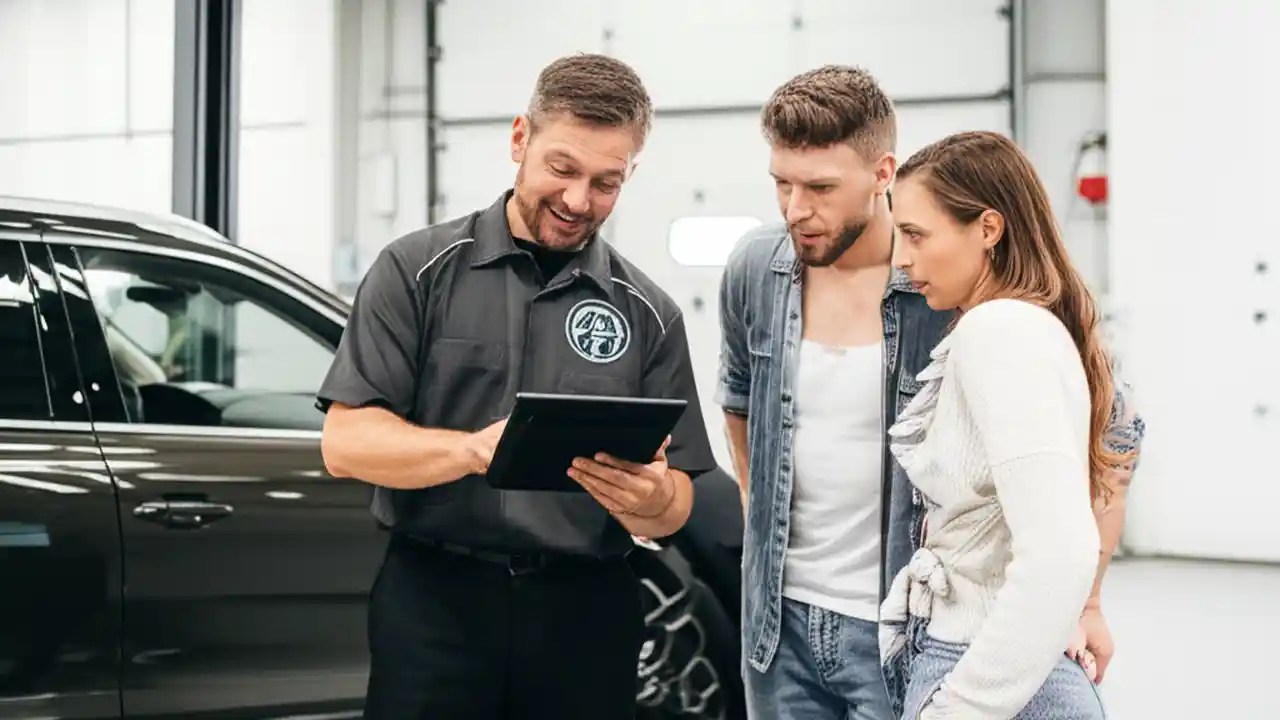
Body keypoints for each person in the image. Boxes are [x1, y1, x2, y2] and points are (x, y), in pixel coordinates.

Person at [715, 65, 1143, 720]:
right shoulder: (756, 268)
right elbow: (741, 407)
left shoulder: (961, 285)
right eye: (782, 184)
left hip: (901, 629)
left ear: (882, 174)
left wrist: (1084, 603)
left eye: (822, 188)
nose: (796, 208)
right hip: (780, 630)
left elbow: (1110, 434)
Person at [316, 53, 717, 720]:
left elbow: (680, 501)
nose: (578, 200)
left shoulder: (650, 313)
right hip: (435, 603)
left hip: (585, 612)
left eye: (606, 182)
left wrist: (650, 499)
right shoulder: (415, 272)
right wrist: (475, 451)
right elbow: (345, 443)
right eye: (562, 169)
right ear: (519, 140)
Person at [879, 129, 1136, 719]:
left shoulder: (999, 333)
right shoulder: (1026, 327)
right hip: (1009, 661)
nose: (901, 257)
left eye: (916, 234)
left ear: (988, 229)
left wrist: (959, 709)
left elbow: (1060, 550)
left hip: (988, 666)